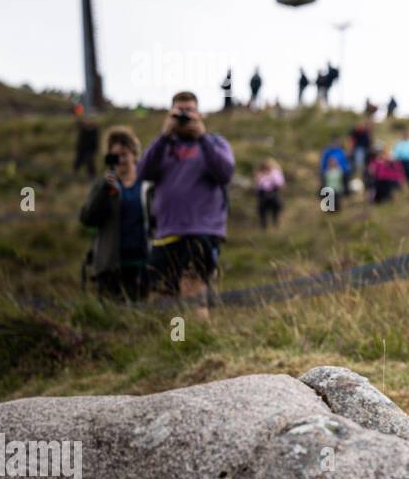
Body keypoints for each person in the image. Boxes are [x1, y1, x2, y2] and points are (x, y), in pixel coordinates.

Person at [138, 91, 235, 319]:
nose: (184, 117)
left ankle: (198, 345)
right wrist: (164, 136)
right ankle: (174, 343)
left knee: (192, 290)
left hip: (201, 231)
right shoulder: (163, 146)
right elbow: (143, 172)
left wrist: (201, 137)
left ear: (199, 114)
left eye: (189, 111)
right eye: (179, 112)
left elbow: (225, 172)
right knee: (161, 295)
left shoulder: (215, 142)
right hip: (166, 232)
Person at [79, 125, 150, 301]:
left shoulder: (148, 185)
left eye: (124, 154)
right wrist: (104, 190)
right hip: (110, 264)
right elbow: (87, 219)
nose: (121, 160)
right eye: (115, 156)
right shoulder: (102, 185)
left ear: (134, 154)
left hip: (144, 263)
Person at [255, 158, 285, 228]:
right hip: (263, 195)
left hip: (274, 193)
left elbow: (280, 183)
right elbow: (258, 186)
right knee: (262, 213)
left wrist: (270, 177)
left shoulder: (275, 173)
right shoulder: (259, 173)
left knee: (275, 212)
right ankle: (264, 228)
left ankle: (275, 227)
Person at [319, 136, 351, 201]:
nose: (334, 144)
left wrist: (346, 170)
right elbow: (323, 162)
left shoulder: (341, 151)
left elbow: (345, 162)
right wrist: (324, 170)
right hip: (329, 172)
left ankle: (344, 194)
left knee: (339, 186)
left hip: (340, 172)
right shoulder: (327, 151)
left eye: (336, 143)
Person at [73, 106, 100, 179]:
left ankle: (92, 177)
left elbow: (95, 140)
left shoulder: (94, 129)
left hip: (90, 149)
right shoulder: (83, 127)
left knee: (89, 162)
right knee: (78, 162)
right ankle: (75, 176)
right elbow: (78, 122)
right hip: (82, 148)